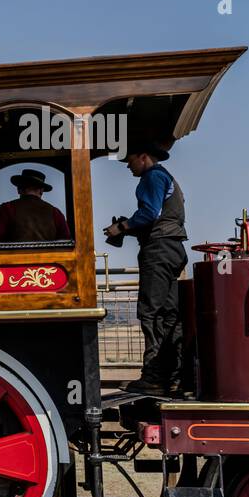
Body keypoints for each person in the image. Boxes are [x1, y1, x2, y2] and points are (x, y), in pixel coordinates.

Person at [103, 143, 187, 395]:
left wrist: (122, 227)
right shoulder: (166, 178)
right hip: (173, 249)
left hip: (159, 250)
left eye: (130, 161)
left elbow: (150, 212)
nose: (128, 166)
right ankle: (175, 376)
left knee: (150, 311)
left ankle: (152, 377)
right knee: (170, 314)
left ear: (143, 156)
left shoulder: (152, 177)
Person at [0, 168, 71, 242]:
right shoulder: (55, 213)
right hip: (49, 262)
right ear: (41, 191)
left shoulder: (6, 209)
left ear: (19, 189)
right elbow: (66, 242)